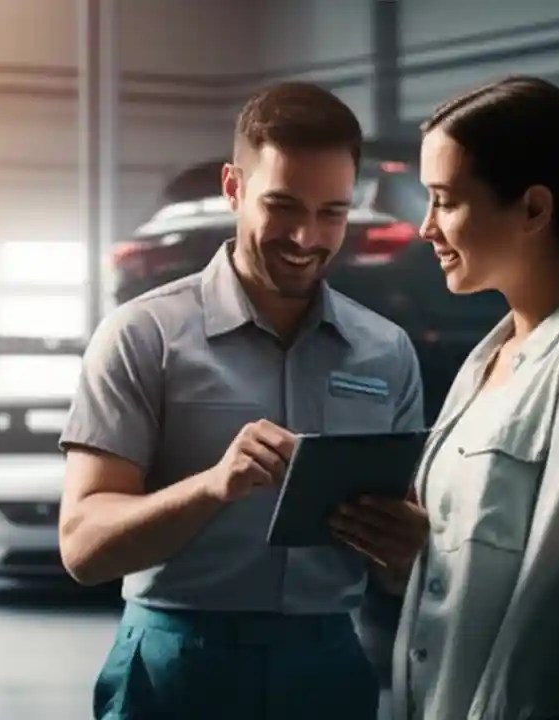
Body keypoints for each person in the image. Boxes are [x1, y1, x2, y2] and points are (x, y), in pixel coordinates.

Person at [57, 81, 429, 720]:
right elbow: (83, 548)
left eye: (332, 212)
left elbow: (400, 571)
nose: (307, 236)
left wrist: (406, 551)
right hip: (176, 664)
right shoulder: (144, 336)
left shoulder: (386, 352)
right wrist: (211, 488)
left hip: (329, 666)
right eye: (282, 206)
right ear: (233, 188)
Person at [333, 76, 559, 720]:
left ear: (535, 209)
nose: (425, 227)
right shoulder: (487, 359)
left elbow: (556, 613)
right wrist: (416, 551)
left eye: (444, 201)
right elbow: (479, 573)